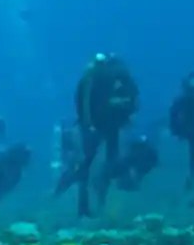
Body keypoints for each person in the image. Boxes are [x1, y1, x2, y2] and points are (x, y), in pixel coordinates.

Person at [54, 53, 139, 217]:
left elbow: (82, 104)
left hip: (98, 125)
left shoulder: (91, 79)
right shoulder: (110, 79)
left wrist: (88, 123)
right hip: (107, 125)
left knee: (89, 163)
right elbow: (131, 101)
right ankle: (96, 202)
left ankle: (90, 203)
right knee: (100, 162)